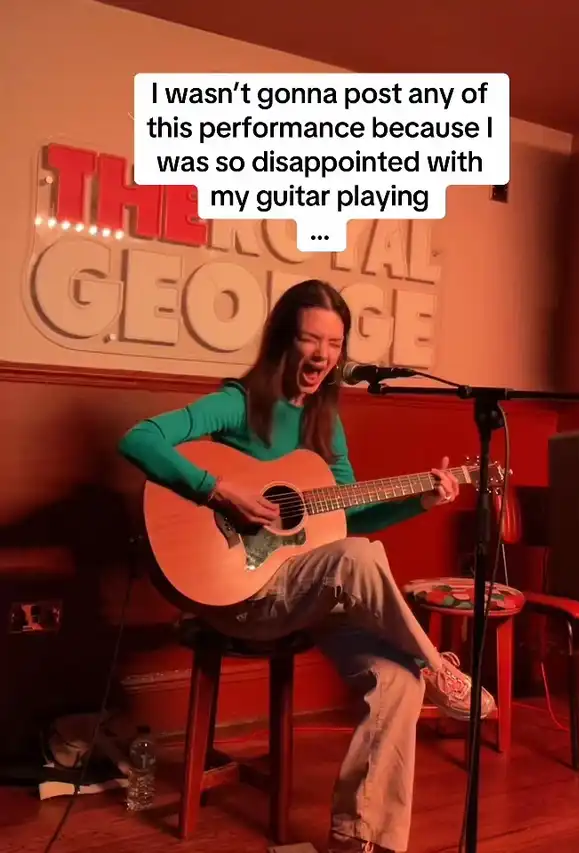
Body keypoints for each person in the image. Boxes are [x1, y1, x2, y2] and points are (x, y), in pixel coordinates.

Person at [118, 279, 496, 853]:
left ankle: (359, 840)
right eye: (310, 339)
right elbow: (139, 438)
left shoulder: (325, 421)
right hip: (242, 598)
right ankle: (438, 666)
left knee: (397, 680)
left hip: (308, 590)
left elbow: (347, 518)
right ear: (282, 340)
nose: (323, 355)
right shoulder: (239, 403)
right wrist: (219, 490)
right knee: (361, 560)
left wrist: (421, 500)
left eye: (335, 344)